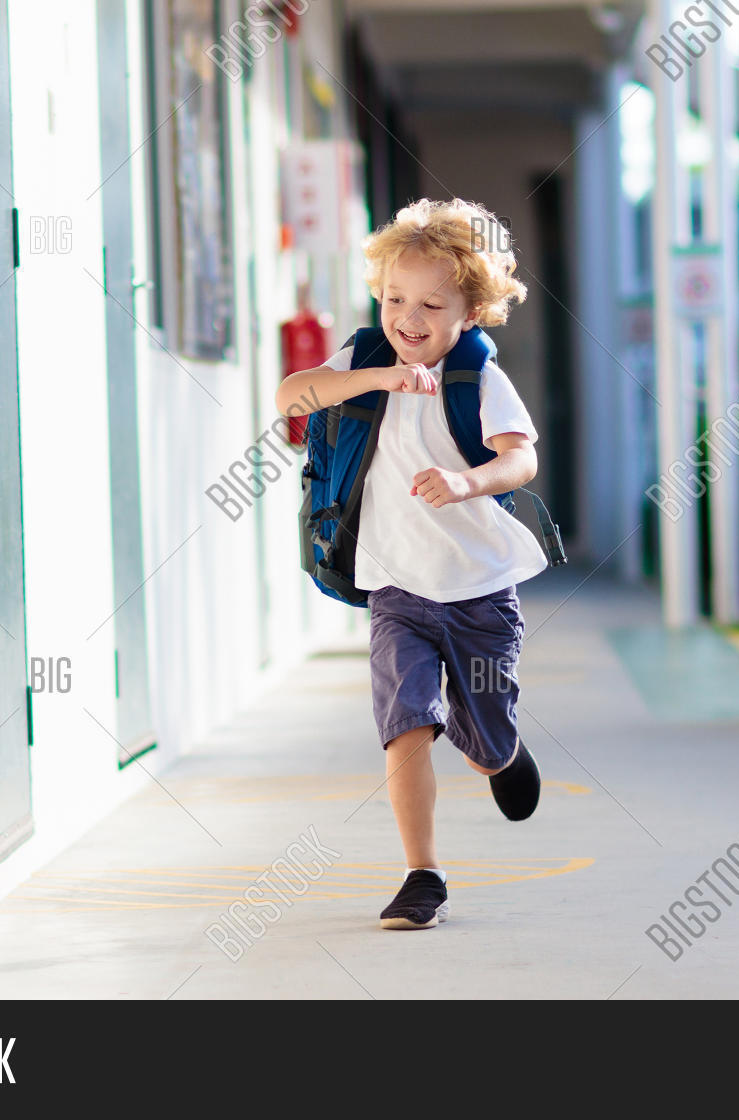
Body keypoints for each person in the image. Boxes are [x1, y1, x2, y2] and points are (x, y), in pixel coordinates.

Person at [276, 198, 546, 930]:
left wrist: (466, 481)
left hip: (478, 590)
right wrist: (377, 381)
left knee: (483, 741)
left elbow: (520, 459)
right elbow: (291, 396)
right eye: (395, 299)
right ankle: (422, 875)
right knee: (406, 727)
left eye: (431, 304)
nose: (409, 318)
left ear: (470, 312)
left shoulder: (476, 378)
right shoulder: (364, 360)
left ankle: (500, 752)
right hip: (396, 587)